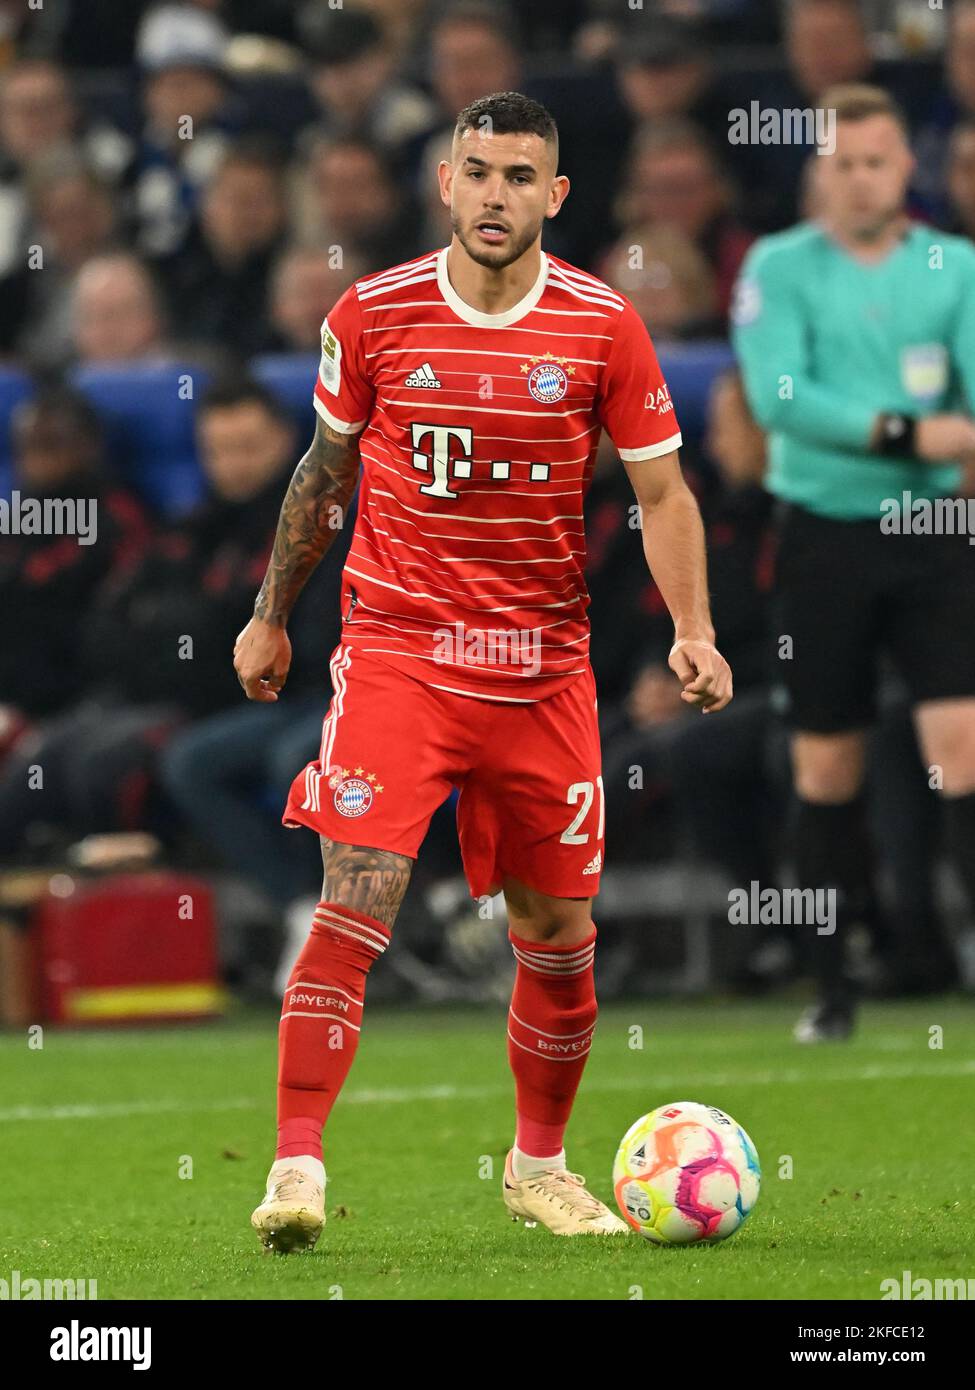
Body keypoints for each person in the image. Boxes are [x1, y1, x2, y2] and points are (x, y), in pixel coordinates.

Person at [233, 90, 732, 1252]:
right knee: (359, 891)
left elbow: (664, 493)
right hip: (401, 653)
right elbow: (321, 475)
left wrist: (693, 628)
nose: (494, 194)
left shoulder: (604, 327)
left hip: (542, 669)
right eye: (476, 171)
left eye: (519, 176)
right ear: (445, 184)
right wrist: (271, 617)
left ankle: (540, 1167)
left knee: (558, 933)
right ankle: (296, 1164)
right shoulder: (373, 313)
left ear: (555, 196)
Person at [732, 84, 975, 1042]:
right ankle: (832, 988)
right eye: (841, 164)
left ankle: (961, 965)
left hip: (934, 537)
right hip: (824, 537)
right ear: (815, 173)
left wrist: (937, 451)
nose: (860, 179)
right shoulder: (778, 266)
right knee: (825, 765)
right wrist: (909, 432)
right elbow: (781, 397)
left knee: (959, 753)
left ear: (905, 168)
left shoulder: (953, 266)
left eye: (876, 161)